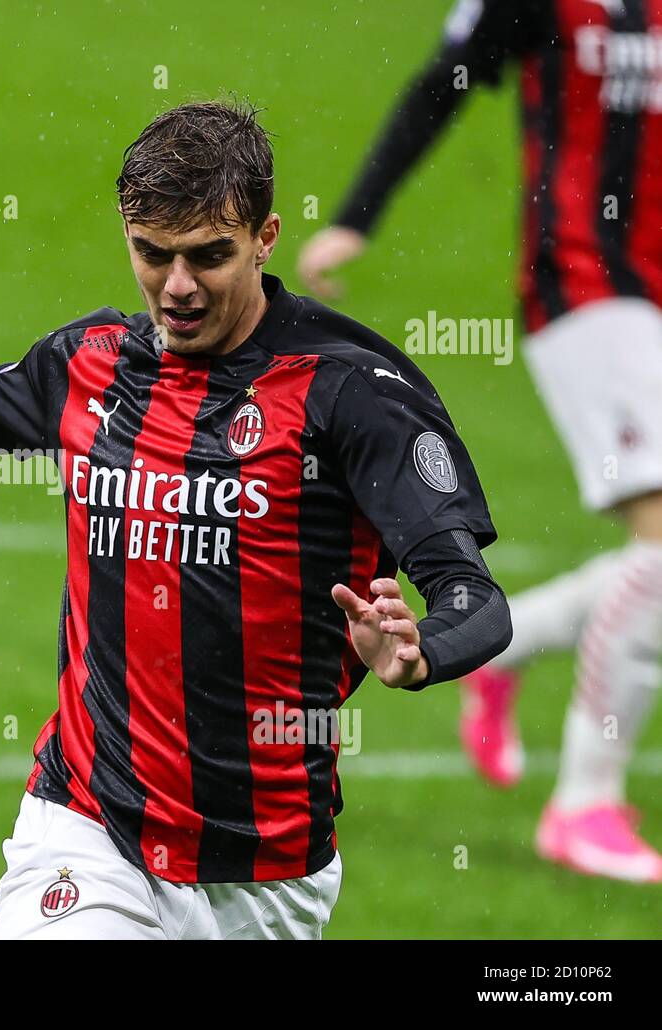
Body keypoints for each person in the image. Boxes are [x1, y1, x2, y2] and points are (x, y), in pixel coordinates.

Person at [0, 100, 511, 938]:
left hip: (266, 873)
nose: (177, 288)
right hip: (88, 823)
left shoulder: (349, 394)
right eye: (152, 255)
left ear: (266, 236)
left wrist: (421, 650)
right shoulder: (93, 366)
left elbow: (474, 594)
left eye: (208, 257)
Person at [297, 0, 662, 883]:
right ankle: (584, 804)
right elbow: (444, 80)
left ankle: (504, 649)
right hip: (582, 281)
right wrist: (357, 214)